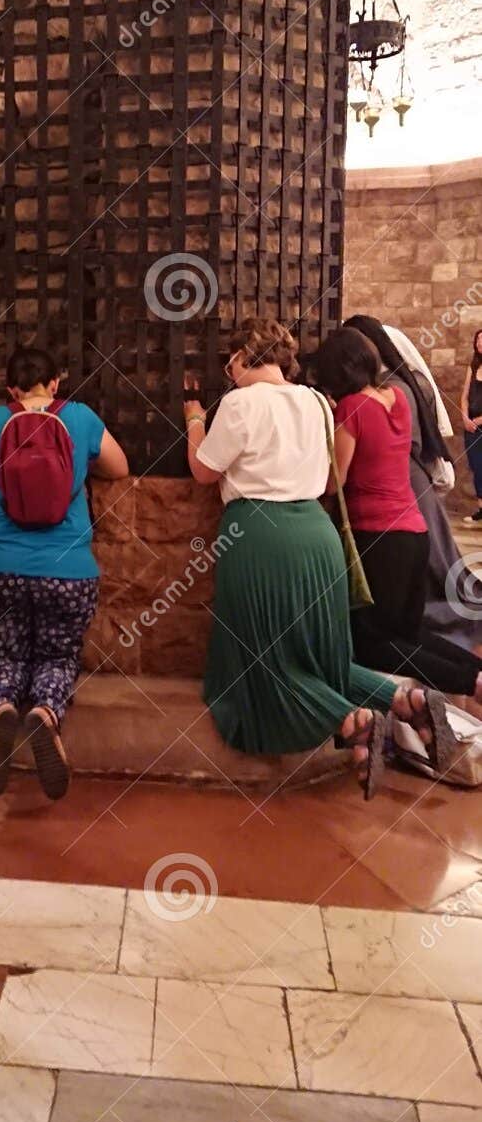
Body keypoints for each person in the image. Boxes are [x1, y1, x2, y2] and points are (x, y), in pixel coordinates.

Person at [184, 318, 461, 794]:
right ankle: (405, 699)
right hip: (317, 537)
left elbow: (204, 472)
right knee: (320, 656)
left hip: (258, 539)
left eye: (230, 359)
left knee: (256, 665)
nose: (227, 369)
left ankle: (353, 722)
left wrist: (193, 419)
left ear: (244, 357)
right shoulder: (315, 401)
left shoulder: (240, 402)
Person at [0, 347, 128, 801]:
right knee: (58, 657)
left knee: (6, 654)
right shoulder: (78, 417)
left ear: (11, 389)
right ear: (55, 383)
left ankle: (2, 704)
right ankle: (44, 712)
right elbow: (119, 467)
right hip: (68, 571)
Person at [315, 326, 482, 703]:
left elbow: (334, 481)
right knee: (407, 634)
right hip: (414, 533)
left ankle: (471, 685)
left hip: (379, 538)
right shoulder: (398, 398)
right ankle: (476, 673)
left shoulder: (350, 408)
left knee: (371, 643)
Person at [344, 314, 480, 650]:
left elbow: (411, 441)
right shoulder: (391, 382)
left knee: (433, 563)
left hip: (405, 480)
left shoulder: (396, 385)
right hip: (407, 479)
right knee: (433, 557)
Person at [460, 328, 482, 525]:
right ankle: (481, 508)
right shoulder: (473, 367)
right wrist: (465, 418)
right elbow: (465, 396)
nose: (481, 344)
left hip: (480, 423)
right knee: (477, 466)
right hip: (472, 428)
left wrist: (480, 420)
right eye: (479, 341)